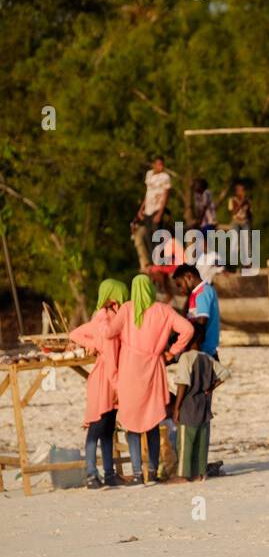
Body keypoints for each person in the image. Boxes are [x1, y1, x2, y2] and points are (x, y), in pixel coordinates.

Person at [106, 275, 194, 484]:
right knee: (152, 422)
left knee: (132, 425)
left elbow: (109, 332)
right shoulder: (163, 310)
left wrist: (104, 317)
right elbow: (188, 329)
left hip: (130, 370)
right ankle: (153, 472)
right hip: (154, 370)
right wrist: (171, 352)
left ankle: (138, 474)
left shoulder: (127, 309)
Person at [69, 279, 129, 489]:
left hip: (107, 375)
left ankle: (108, 472)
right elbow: (111, 356)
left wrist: (93, 344)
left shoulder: (102, 316)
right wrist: (117, 385)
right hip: (106, 377)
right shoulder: (106, 320)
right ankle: (92, 473)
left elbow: (75, 333)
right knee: (98, 425)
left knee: (107, 427)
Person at [170, 336, 230, 482]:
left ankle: (183, 475)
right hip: (204, 406)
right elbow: (225, 374)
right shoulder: (208, 358)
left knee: (185, 443)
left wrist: (176, 408)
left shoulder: (186, 358)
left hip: (188, 407)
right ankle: (200, 473)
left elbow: (182, 384)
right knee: (201, 442)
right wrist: (210, 388)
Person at [131, 155, 171, 270]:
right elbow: (147, 193)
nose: (161, 167)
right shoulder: (149, 174)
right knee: (148, 235)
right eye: (159, 164)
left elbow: (166, 195)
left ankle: (159, 261)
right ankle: (152, 260)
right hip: (148, 208)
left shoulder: (165, 177)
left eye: (162, 164)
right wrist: (141, 209)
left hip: (157, 208)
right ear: (154, 164)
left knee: (156, 234)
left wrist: (160, 213)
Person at [172, 264, 220, 357]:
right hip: (199, 350)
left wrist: (191, 345)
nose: (180, 290)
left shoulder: (203, 292)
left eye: (179, 285)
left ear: (189, 277)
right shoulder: (194, 294)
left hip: (204, 350)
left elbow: (201, 322)